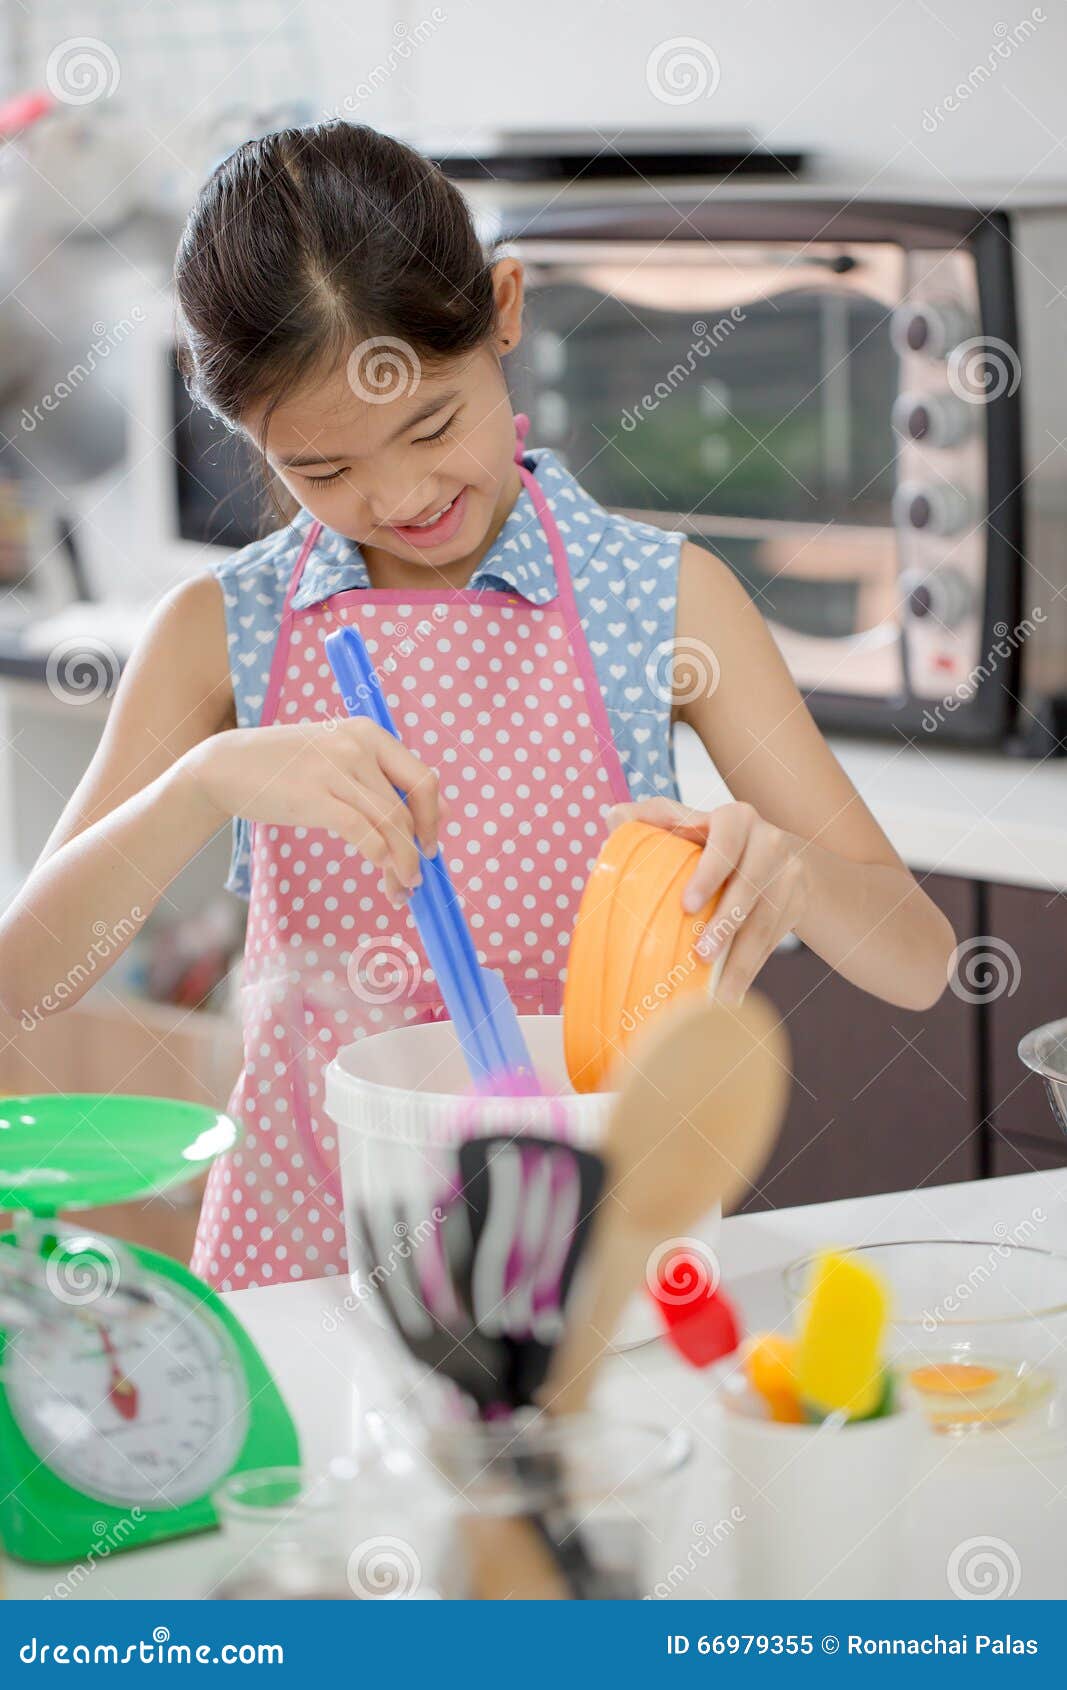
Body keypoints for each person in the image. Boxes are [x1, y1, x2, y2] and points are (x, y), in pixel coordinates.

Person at [0, 123, 955, 1291]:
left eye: (430, 423)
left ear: (502, 309)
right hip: (310, 1263)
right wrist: (199, 785)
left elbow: (916, 961)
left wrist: (791, 876)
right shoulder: (221, 630)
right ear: (243, 432)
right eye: (323, 469)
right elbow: (24, 986)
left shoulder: (664, 604)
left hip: (588, 1258)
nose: (400, 496)